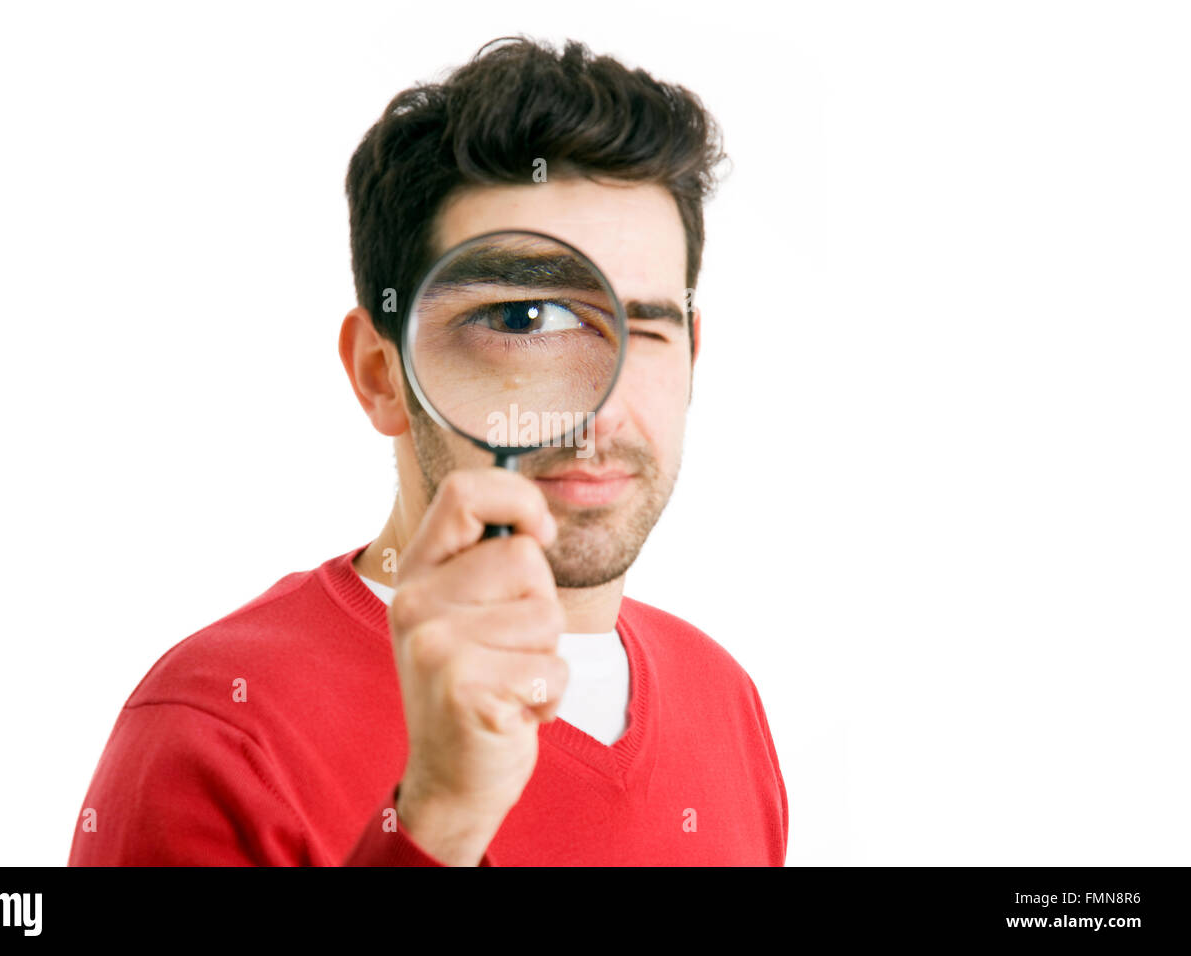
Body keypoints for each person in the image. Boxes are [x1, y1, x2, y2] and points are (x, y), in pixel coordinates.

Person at [68, 35, 787, 866]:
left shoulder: (723, 696)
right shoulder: (220, 731)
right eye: (525, 321)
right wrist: (440, 816)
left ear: (693, 354)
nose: (602, 412)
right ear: (381, 374)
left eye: (647, 327)